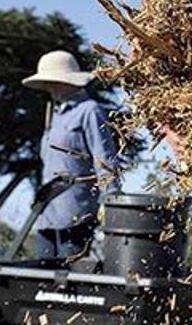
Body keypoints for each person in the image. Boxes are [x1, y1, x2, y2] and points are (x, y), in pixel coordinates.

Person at [21, 50, 123, 260]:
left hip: (76, 214)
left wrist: (110, 202)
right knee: (42, 280)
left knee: (70, 283)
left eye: (52, 81)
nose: (49, 88)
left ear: (67, 81)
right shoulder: (56, 116)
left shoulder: (89, 111)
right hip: (46, 214)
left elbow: (104, 159)